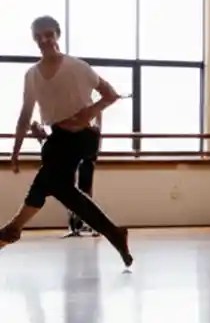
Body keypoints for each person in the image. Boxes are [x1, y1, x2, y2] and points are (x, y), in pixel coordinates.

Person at [1, 16, 133, 267]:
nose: (44, 40)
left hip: (82, 137)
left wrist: (89, 112)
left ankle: (12, 229)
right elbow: (25, 115)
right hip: (58, 139)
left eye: (48, 34)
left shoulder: (77, 67)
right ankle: (115, 233)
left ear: (58, 35)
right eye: (38, 36)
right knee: (57, 186)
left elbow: (110, 94)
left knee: (51, 179)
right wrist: (15, 152)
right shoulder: (32, 75)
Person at [63, 114, 101, 238]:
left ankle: (87, 224)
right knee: (73, 192)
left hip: (85, 162)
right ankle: (75, 225)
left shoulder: (91, 131)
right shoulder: (74, 130)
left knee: (84, 192)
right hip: (75, 161)